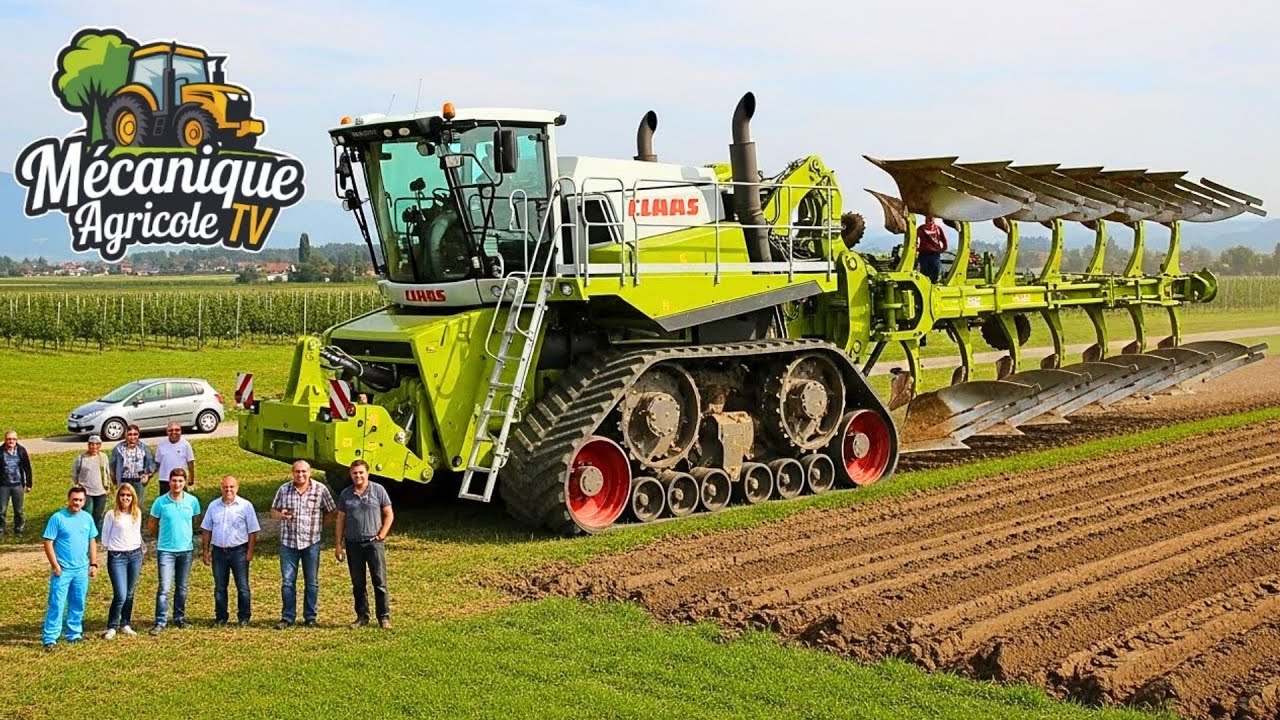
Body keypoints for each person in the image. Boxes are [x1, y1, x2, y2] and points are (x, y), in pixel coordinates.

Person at [270, 460, 335, 629]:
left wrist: (319, 526)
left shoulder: (320, 490)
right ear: (293, 473)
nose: (300, 475)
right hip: (288, 542)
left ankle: (310, 616)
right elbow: (273, 511)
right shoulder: (284, 489)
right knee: (287, 582)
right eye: (297, 472)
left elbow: (331, 511)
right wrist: (281, 515)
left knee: (311, 582)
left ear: (309, 472)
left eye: (304, 472)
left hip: (311, 542)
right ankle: (287, 617)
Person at [334, 460, 395, 629]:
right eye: (355, 473)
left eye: (361, 472)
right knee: (358, 583)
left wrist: (382, 534)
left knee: (379, 581)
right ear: (350, 475)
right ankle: (362, 616)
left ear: (367, 473)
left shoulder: (378, 490)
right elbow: (340, 520)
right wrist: (338, 544)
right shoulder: (346, 494)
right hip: (353, 544)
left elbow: (389, 514)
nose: (358, 476)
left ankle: (383, 617)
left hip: (373, 544)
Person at [41, 487, 99, 650]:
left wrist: (93, 563)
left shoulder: (87, 518)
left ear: (84, 501)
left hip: (81, 570)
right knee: (57, 604)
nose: (77, 503)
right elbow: (48, 542)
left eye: (80, 500)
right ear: (69, 499)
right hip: (63, 570)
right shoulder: (57, 518)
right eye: (74, 500)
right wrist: (55, 565)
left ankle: (74, 634)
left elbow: (92, 540)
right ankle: (50, 638)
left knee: (78, 602)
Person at [200, 475, 260, 626]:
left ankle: (244, 617)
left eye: (231, 487)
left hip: (239, 551)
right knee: (220, 587)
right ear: (221, 488)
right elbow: (206, 530)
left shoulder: (245, 506)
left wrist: (250, 552)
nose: (228, 490)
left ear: (237, 488)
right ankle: (221, 617)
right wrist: (205, 551)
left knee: (242, 587)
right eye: (226, 487)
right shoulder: (213, 506)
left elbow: (252, 531)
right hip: (219, 552)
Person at [148, 468, 201, 635]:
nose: (177, 484)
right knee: (164, 587)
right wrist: (164, 538)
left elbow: (195, 521)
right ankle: (160, 621)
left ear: (184, 483)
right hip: (166, 551)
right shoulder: (160, 502)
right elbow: (152, 525)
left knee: (182, 587)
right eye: (174, 481)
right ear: (169, 482)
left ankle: (179, 618)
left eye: (180, 481)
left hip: (186, 550)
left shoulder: (192, 501)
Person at [100, 483, 144, 639]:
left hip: (135, 555)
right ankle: (112, 626)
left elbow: (136, 533)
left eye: (129, 495)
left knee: (130, 593)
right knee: (120, 594)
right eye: (123, 495)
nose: (126, 498)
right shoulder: (111, 515)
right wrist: (114, 548)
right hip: (117, 556)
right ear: (118, 497)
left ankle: (125, 623)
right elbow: (105, 537)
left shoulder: (136, 513)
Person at [71, 435, 113, 532]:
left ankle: (94, 534)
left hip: (101, 491)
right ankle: (84, 532)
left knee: (98, 514)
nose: (94, 447)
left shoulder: (103, 457)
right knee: (87, 513)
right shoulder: (81, 458)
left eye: (97, 444)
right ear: (88, 445)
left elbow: (107, 472)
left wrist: (108, 487)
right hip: (86, 492)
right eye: (92, 444)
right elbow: (74, 474)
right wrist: (78, 486)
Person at [110, 425, 156, 509]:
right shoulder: (118, 449)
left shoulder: (144, 448)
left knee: (137, 506)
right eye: (130, 434)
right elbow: (112, 466)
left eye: (135, 434)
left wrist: (147, 476)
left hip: (138, 481)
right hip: (123, 480)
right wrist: (115, 481)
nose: (132, 437)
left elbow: (152, 465)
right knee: (122, 505)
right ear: (125, 435)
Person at [0, 429, 33, 536]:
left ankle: (19, 530)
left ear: (16, 440)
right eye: (9, 439)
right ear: (5, 440)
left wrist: (29, 484)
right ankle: (0, 530)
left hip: (18, 485)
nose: (11, 441)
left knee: (18, 510)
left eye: (13, 439)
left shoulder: (21, 451)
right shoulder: (0, 451)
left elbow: (27, 468)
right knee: (1, 510)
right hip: (3, 486)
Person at [154, 422, 196, 496]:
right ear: (167, 431)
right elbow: (157, 463)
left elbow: (190, 462)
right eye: (171, 430)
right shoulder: (161, 444)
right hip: (165, 480)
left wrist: (191, 478)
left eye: (177, 430)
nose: (174, 432)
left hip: (180, 479)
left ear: (181, 431)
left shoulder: (186, 445)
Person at [917, 215, 948, 283]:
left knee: (936, 270)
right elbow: (915, 240)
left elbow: (944, 240)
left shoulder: (938, 228)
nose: (930, 219)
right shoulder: (921, 229)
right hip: (924, 254)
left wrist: (944, 248)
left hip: (934, 254)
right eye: (928, 217)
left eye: (932, 217)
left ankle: (933, 284)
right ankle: (925, 285)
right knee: (924, 271)